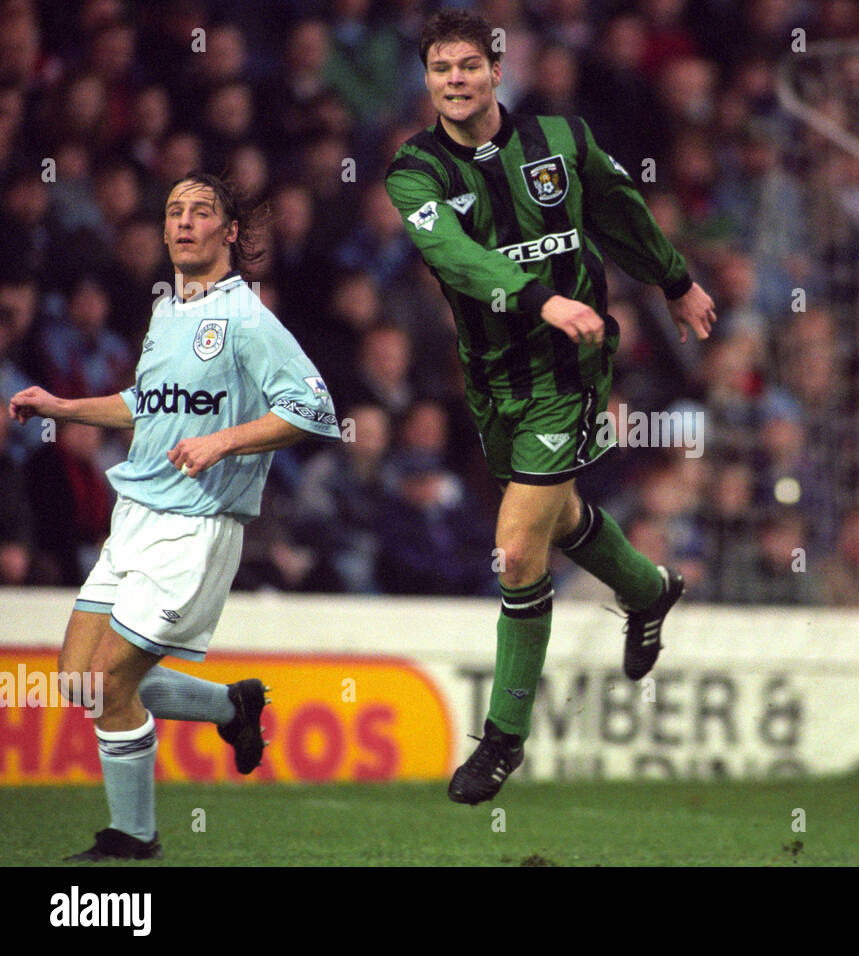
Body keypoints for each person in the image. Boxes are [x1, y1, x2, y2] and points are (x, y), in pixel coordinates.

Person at [385, 11, 716, 805]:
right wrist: (536, 298)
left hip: (570, 370)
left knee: (518, 548)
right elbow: (455, 259)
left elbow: (619, 210)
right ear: (429, 81)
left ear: (498, 72)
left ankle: (502, 738)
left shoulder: (562, 142)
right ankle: (646, 589)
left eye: (469, 65)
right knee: (557, 519)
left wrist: (673, 280)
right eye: (441, 69)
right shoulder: (413, 171)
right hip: (492, 378)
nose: (455, 80)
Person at [7, 173, 341, 861]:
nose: (185, 222)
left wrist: (224, 439)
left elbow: (315, 410)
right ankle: (233, 708)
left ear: (231, 233)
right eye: (174, 212)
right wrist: (64, 407)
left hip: (194, 527)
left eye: (202, 212)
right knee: (79, 678)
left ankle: (133, 838)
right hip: (132, 519)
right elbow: (144, 404)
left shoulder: (247, 318)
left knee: (106, 685)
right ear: (163, 232)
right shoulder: (169, 312)